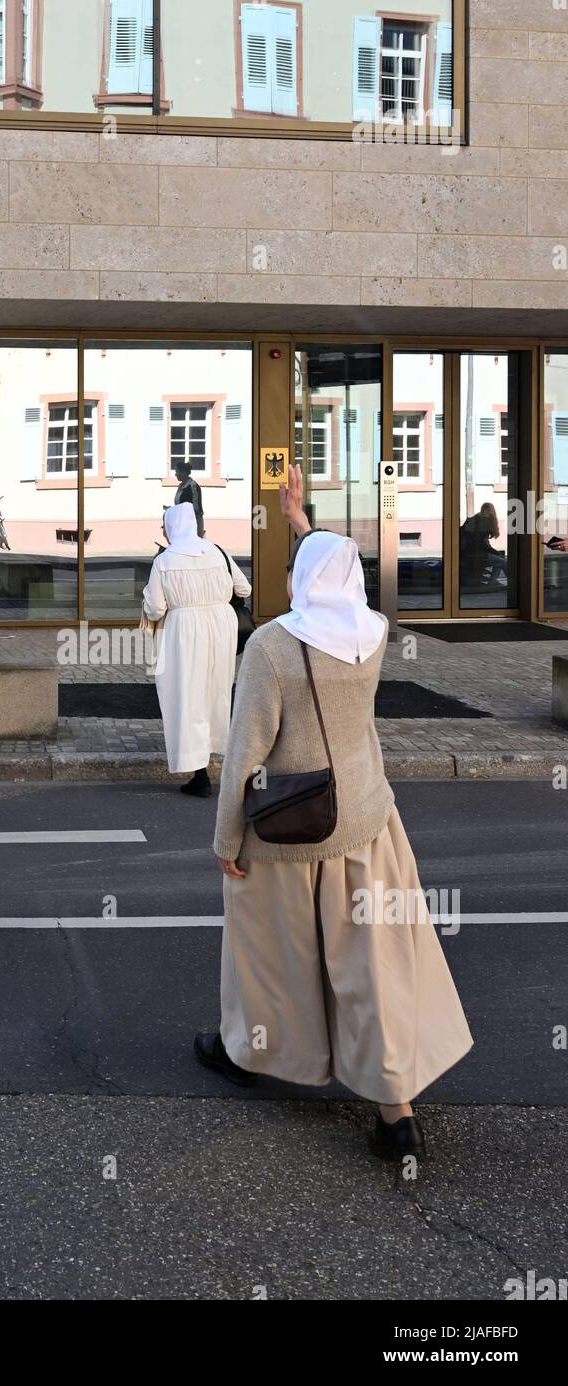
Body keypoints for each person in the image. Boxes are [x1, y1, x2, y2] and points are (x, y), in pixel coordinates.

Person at [195, 465, 472, 1164]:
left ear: (300, 579)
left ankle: (253, 1055)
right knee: (370, 965)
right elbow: (332, 576)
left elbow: (246, 750)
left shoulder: (270, 647)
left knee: (270, 958)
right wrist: (303, 523)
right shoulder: (372, 632)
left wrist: (228, 836)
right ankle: (395, 1110)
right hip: (367, 823)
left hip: (290, 830)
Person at [142, 501, 251, 797]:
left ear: (173, 526)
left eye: (164, 526)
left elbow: (154, 609)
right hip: (221, 627)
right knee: (215, 691)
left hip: (184, 631)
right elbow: (243, 589)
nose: (163, 531)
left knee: (186, 696)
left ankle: (199, 774)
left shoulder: (164, 561)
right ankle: (223, 759)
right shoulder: (218, 551)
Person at [460, 502, 507, 589]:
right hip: (476, 553)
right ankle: (511, 583)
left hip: (467, 552)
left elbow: (482, 542)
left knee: (500, 556)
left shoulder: (473, 519)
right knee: (503, 562)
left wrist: (495, 552)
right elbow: (482, 544)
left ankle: (493, 581)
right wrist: (495, 552)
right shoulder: (483, 522)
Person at [173, 465, 204, 537]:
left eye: (177, 472)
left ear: (183, 473)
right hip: (182, 522)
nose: (175, 474)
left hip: (192, 522)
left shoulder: (193, 486)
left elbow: (196, 508)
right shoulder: (180, 486)